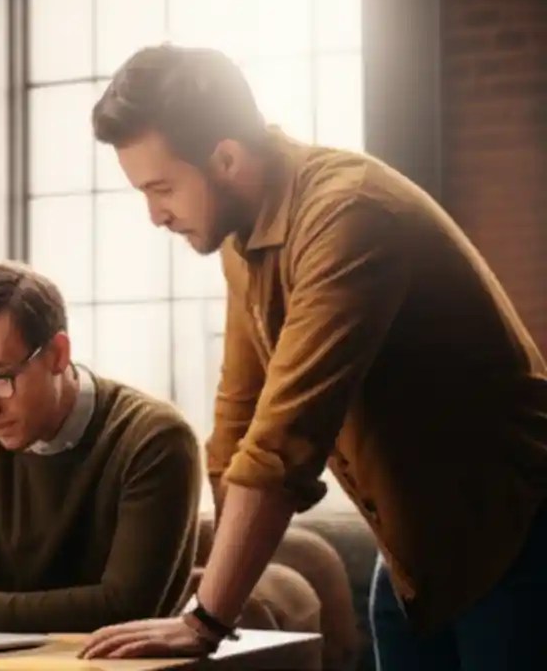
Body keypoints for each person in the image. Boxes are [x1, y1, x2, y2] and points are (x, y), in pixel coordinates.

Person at [79, 43, 547, 668]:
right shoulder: (242, 234)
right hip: (416, 553)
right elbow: (239, 416)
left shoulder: (348, 214)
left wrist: (207, 620)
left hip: (519, 535)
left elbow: (284, 441)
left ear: (225, 158)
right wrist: (213, 587)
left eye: (161, 188)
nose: (154, 215)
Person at [0, 260, 202, 634]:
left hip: (119, 659)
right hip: (2, 656)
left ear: (58, 354)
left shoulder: (154, 439)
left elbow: (124, 607)